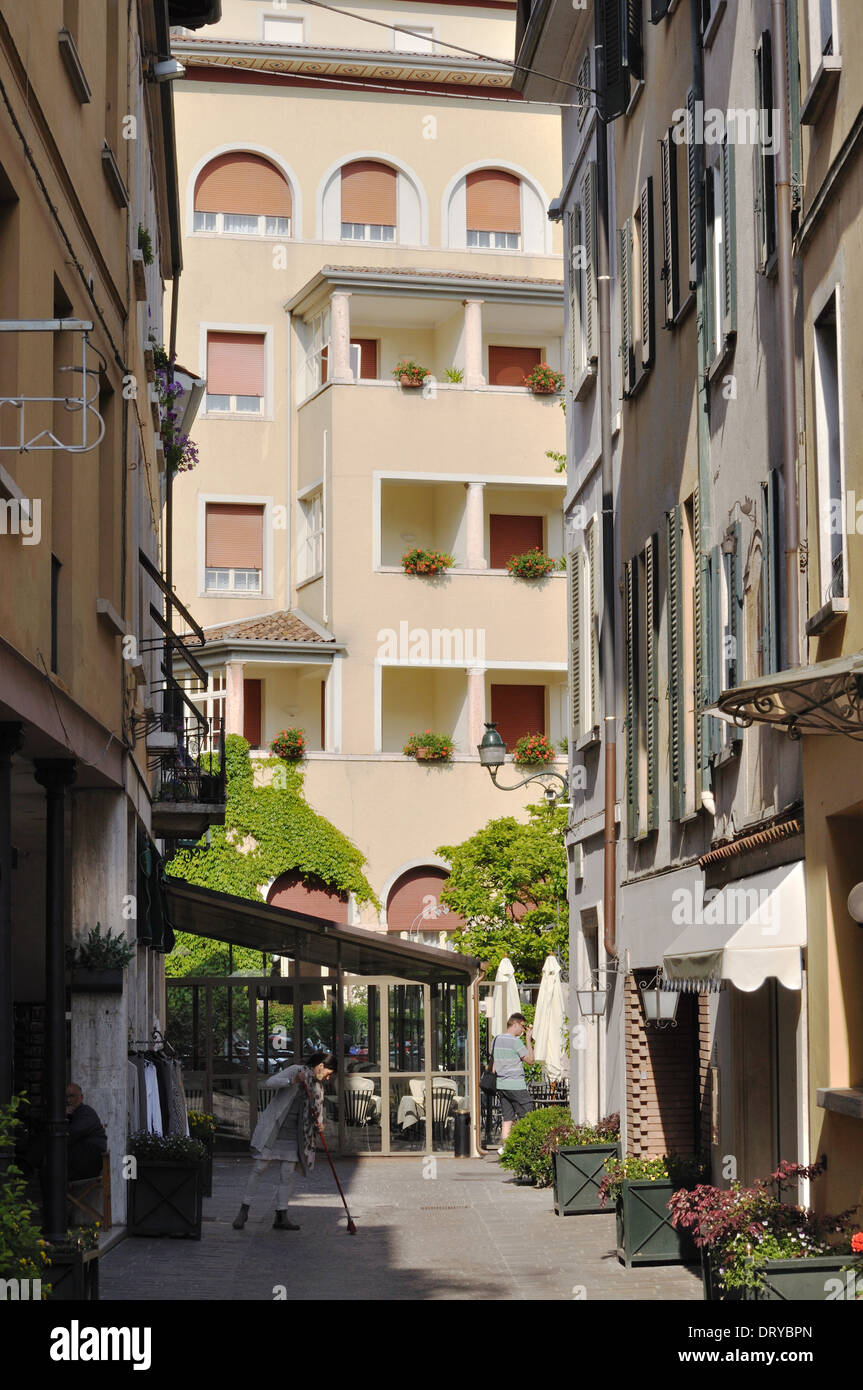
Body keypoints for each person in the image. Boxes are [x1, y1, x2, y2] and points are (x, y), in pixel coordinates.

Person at [232, 1051, 336, 1232]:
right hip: (275, 1129)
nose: (328, 1078)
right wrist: (293, 1081)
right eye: (329, 1073)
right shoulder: (296, 1071)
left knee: (287, 1174)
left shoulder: (318, 1088)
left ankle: (281, 1215)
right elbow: (269, 1083)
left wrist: (320, 1125)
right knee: (260, 1167)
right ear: (321, 1066)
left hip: (295, 1134)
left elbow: (318, 1112)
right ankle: (244, 1210)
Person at [492, 1013, 534, 1153]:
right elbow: (530, 1060)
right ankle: (526, 1147)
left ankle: (506, 1149)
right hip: (516, 1084)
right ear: (515, 1024)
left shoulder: (496, 1039)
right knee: (528, 1114)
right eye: (522, 1026)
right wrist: (528, 1039)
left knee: (507, 1118)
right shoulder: (516, 1042)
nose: (523, 1030)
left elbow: (493, 1067)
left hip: (502, 1085)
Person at [66, 1083, 107, 1180]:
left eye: (72, 1096)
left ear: (81, 1097)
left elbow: (70, 1135)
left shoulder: (86, 1113)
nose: (68, 1100)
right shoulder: (77, 1114)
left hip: (88, 1162)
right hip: (83, 1160)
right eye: (66, 1097)